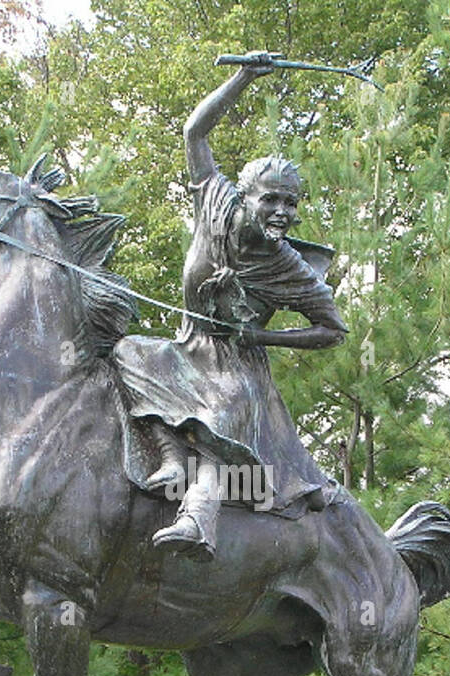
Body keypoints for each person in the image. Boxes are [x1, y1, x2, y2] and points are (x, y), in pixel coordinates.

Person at [110, 51, 348, 561]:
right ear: (246, 195)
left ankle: (199, 518)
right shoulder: (215, 199)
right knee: (130, 351)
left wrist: (263, 338)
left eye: (291, 203)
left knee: (220, 413)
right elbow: (195, 133)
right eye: (271, 200)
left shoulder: (292, 269)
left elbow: (332, 329)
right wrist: (243, 78)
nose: (282, 212)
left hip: (239, 367)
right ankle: (172, 462)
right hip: (189, 345)